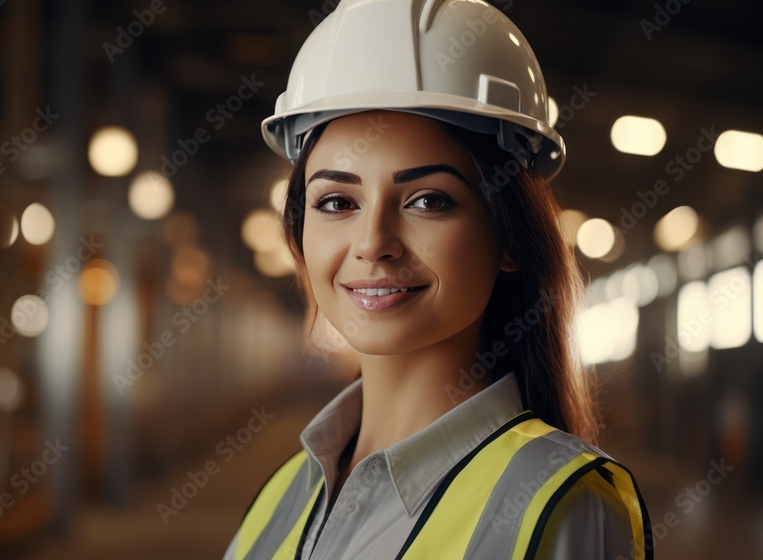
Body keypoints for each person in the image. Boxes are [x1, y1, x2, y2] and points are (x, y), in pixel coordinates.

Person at [222, 0, 653, 559]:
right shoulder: (283, 495)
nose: (373, 242)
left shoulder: (564, 502)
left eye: (428, 200)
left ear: (510, 238)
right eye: (337, 202)